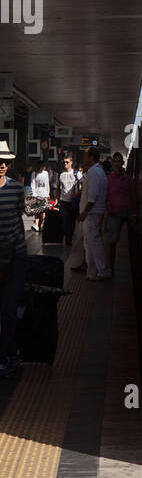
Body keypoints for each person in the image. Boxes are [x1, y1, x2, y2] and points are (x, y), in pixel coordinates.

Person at [0, 140, 28, 377]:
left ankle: (11, 355)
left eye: (5, 162)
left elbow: (20, 219)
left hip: (15, 255)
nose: (2, 165)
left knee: (8, 307)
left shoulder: (16, 189)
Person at [78, 146, 111, 281]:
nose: (83, 159)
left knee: (94, 242)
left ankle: (103, 271)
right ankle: (92, 272)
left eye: (85, 156)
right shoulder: (99, 171)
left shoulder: (93, 173)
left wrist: (84, 213)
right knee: (89, 242)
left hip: (91, 214)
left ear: (91, 158)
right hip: (94, 213)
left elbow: (92, 197)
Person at [104, 152, 136, 274]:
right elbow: (105, 197)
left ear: (123, 163)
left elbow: (133, 196)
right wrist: (108, 209)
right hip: (114, 214)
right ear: (112, 163)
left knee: (133, 242)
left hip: (128, 212)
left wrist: (134, 214)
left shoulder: (128, 179)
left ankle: (134, 269)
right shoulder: (108, 180)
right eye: (115, 161)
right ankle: (110, 268)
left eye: (119, 161)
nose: (117, 164)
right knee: (112, 242)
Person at [56, 154, 82, 246]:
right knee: (64, 221)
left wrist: (77, 193)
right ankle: (67, 236)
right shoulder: (60, 174)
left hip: (73, 202)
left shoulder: (76, 173)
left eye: (67, 162)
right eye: (64, 162)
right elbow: (58, 188)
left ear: (71, 162)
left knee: (71, 222)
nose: (65, 164)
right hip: (63, 201)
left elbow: (83, 185)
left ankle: (69, 239)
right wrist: (57, 200)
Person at [30, 162, 51, 233]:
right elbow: (32, 184)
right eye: (42, 166)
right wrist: (34, 194)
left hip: (44, 194)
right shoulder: (34, 173)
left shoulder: (46, 173)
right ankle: (37, 225)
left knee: (43, 211)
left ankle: (42, 225)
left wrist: (48, 193)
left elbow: (47, 183)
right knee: (37, 211)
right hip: (37, 194)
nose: (43, 168)